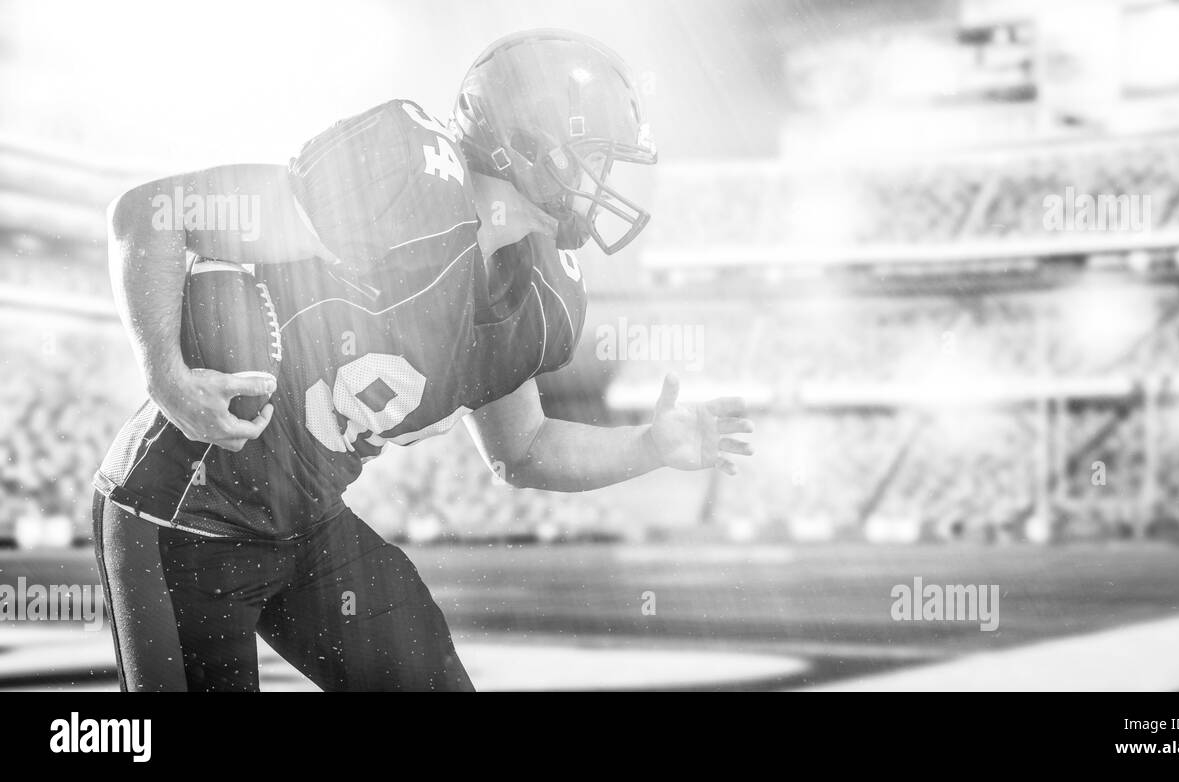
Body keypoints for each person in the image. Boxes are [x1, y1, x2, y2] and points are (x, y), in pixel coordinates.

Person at [94, 29, 753, 692]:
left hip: (308, 522)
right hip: (184, 513)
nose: (605, 181)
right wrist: (166, 377)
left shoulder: (540, 289)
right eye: (594, 158)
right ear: (531, 149)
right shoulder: (406, 174)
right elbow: (153, 212)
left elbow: (522, 449)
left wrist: (650, 445)